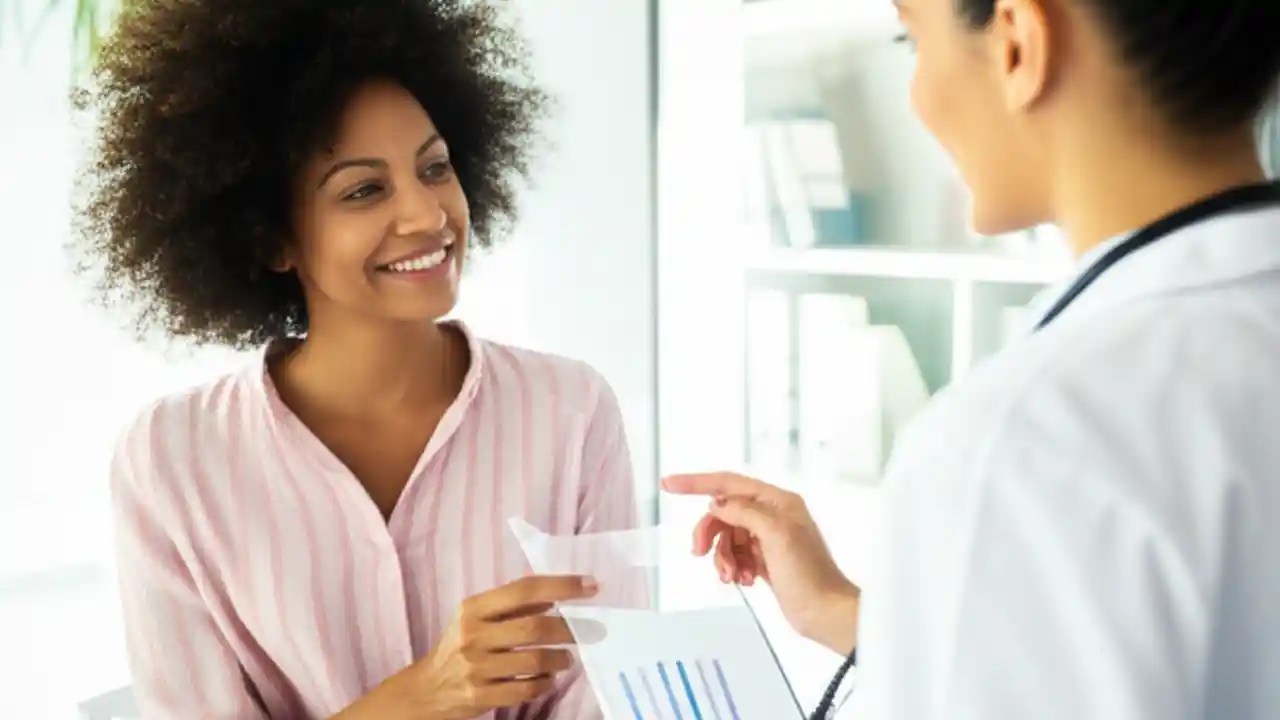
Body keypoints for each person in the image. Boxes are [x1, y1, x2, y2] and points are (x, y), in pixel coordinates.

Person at [665, 0, 1280, 717]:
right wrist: (836, 610)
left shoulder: (1023, 438)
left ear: (1018, 41)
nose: (917, 95)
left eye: (912, 40)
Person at [73, 1, 637, 718]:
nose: (428, 215)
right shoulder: (172, 462)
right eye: (364, 190)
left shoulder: (571, 413)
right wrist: (419, 698)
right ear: (270, 238)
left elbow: (616, 696)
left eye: (435, 168)